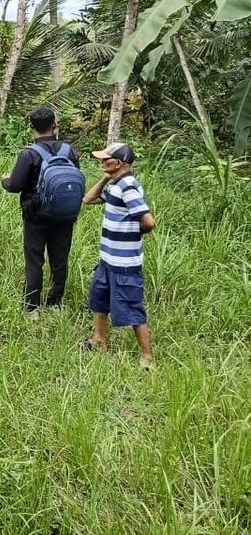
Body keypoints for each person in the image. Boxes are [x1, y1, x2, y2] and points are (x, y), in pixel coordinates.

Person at [1, 107, 82, 317]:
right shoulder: (69, 151)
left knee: (35, 259)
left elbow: (15, 186)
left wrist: (5, 180)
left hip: (35, 215)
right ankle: (55, 304)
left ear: (32, 127)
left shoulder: (29, 154)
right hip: (65, 214)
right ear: (54, 125)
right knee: (60, 259)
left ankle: (32, 307)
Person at [82, 142, 156, 371]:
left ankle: (147, 357)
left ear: (119, 163)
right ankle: (99, 341)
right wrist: (105, 177)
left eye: (106, 160)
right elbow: (88, 199)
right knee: (99, 300)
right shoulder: (116, 185)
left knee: (132, 307)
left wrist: (135, 233)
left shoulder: (129, 187)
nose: (102, 163)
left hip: (124, 263)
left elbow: (148, 221)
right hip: (107, 260)